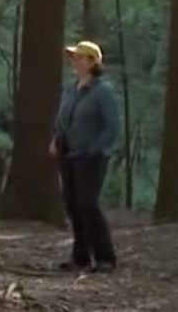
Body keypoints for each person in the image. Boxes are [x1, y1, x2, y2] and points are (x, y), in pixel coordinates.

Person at [51, 40, 120, 273]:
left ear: (93, 63)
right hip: (67, 154)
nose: (76, 61)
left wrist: (96, 148)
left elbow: (112, 126)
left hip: (90, 157)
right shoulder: (71, 88)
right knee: (72, 204)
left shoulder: (103, 92)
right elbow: (62, 118)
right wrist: (56, 139)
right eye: (74, 57)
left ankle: (105, 257)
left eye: (81, 58)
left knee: (88, 203)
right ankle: (80, 257)